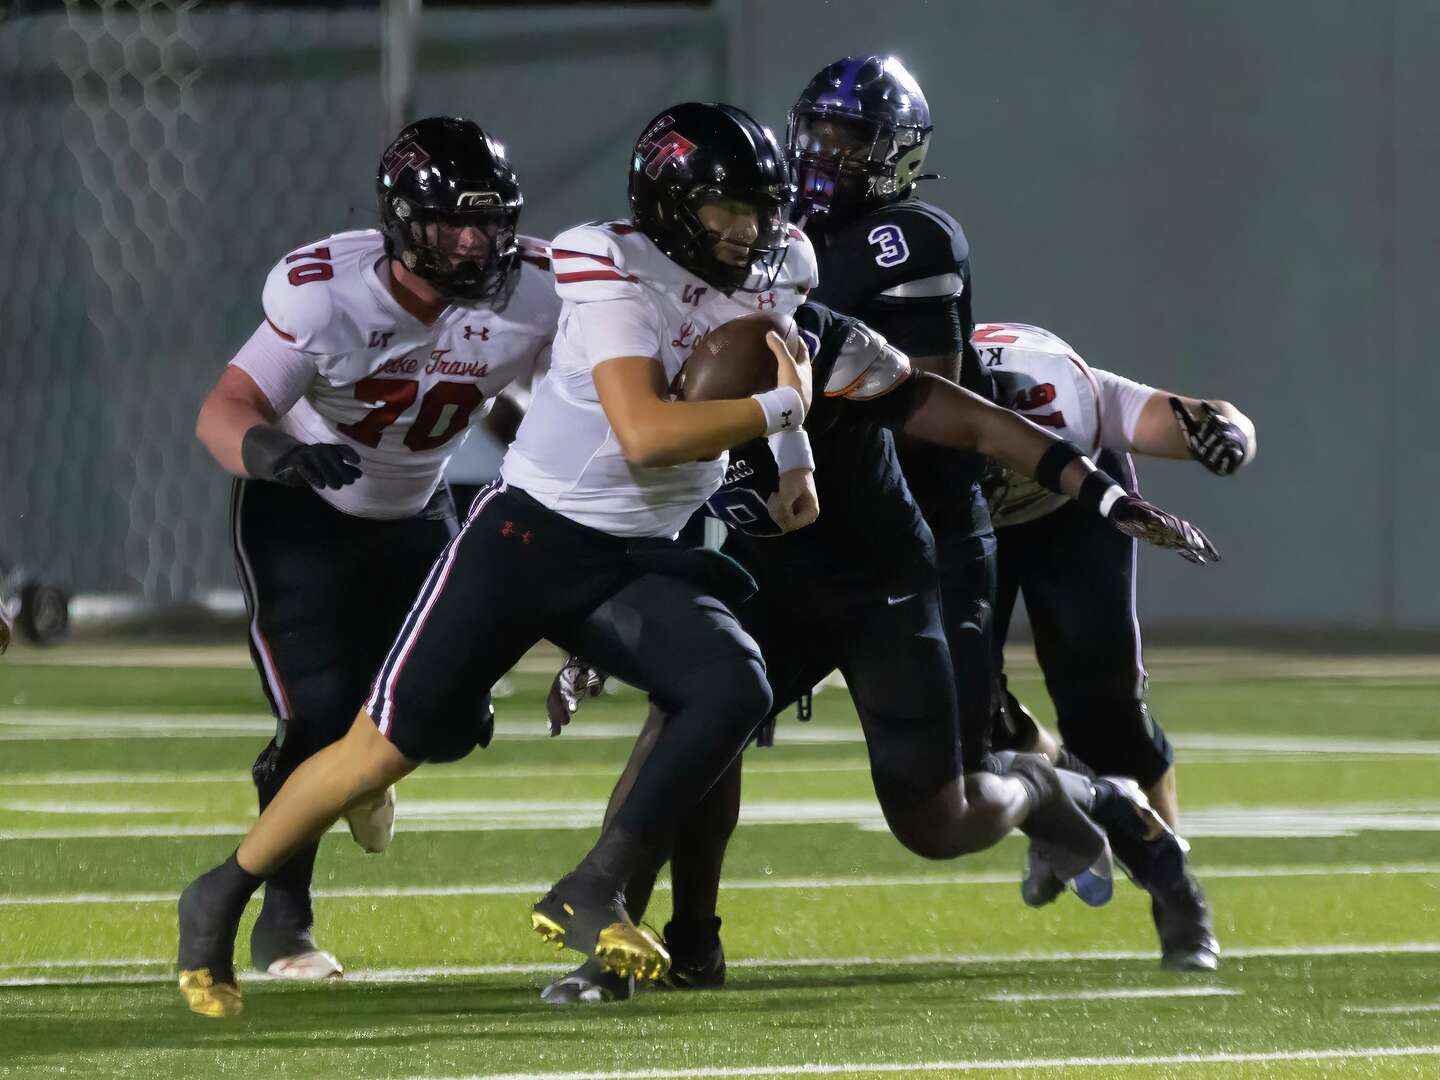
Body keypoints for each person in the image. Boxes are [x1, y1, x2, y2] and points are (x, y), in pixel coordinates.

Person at [176, 101, 822, 1019]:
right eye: (726, 211)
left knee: (732, 682)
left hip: (607, 542)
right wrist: (780, 416)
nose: (747, 233)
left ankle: (595, 886)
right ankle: (225, 898)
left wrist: (794, 458)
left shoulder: (752, 266)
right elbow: (644, 427)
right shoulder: (596, 263)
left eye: (759, 210)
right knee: (357, 742)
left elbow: (771, 351)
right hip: (515, 535)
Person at [541, 303, 1218, 1004]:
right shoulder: (649, 388)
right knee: (685, 723)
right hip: (771, 587)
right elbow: (637, 516)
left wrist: (1104, 496)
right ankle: (649, 946)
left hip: (882, 597)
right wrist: (595, 639)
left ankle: (1048, 787)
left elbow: (980, 422)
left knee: (934, 823)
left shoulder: (839, 362)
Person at [192, 116, 558, 981]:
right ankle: (285, 927)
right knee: (318, 718)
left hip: (420, 507)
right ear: (400, 222)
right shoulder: (329, 293)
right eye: (449, 224)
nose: (472, 244)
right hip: (300, 515)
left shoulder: (540, 289)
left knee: (460, 721)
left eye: (488, 221)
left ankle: (362, 772)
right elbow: (224, 410)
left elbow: (548, 389)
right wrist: (285, 454)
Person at [978, 321, 1256, 971]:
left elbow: (1208, 417)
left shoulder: (1080, 393)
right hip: (963, 523)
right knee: (968, 717)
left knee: (1108, 717)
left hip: (1074, 514)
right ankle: (1064, 793)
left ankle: (1174, 889)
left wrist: (1230, 435)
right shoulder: (931, 406)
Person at [788, 55, 1001, 765]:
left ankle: (1082, 799)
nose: (826, 152)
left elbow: (918, 411)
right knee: (709, 709)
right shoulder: (779, 228)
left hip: (921, 526)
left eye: (851, 137)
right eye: (817, 131)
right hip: (814, 531)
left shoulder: (908, 237)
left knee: (955, 769)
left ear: (897, 151)